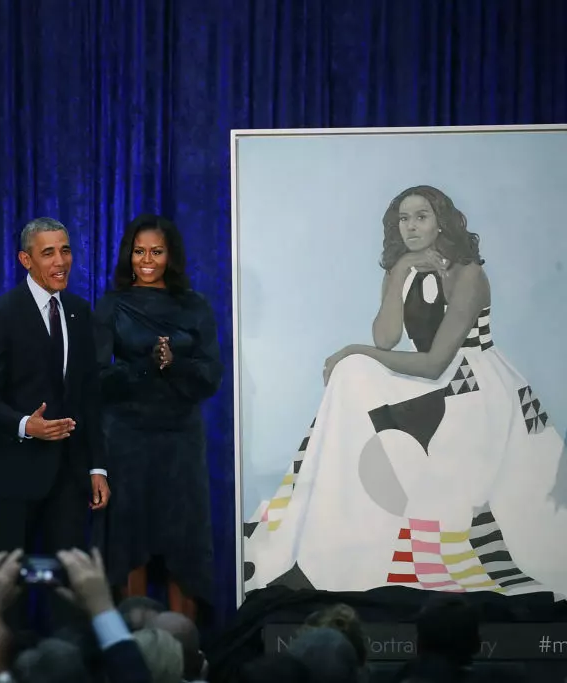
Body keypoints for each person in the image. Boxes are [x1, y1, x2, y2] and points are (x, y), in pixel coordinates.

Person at [244, 185, 567, 595]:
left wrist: (350, 350)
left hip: (474, 388)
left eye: (421, 216)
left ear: (441, 221)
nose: (411, 226)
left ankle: (374, 535)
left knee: (354, 365)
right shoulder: (404, 270)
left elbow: (436, 363)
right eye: (404, 218)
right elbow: (385, 340)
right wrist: (399, 273)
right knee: (353, 374)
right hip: (426, 380)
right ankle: (330, 527)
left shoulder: (468, 274)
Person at [93, 214, 223, 619]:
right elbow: (96, 379)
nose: (146, 260)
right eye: (139, 251)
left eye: (156, 252)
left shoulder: (194, 306)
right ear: (129, 255)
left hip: (180, 438)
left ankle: (183, 651)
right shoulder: (113, 305)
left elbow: (210, 376)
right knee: (130, 538)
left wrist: (174, 365)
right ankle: (135, 646)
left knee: (182, 540)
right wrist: (148, 365)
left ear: (171, 256)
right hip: (128, 437)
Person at [0, 218, 110, 585]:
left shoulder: (80, 312)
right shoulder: (1, 314)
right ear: (25, 259)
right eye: (48, 253)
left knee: (68, 585)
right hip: (14, 470)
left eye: (65, 250)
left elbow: (90, 397)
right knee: (9, 587)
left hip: (68, 473)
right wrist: (24, 425)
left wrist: (98, 468)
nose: (60, 261)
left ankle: (65, 645)